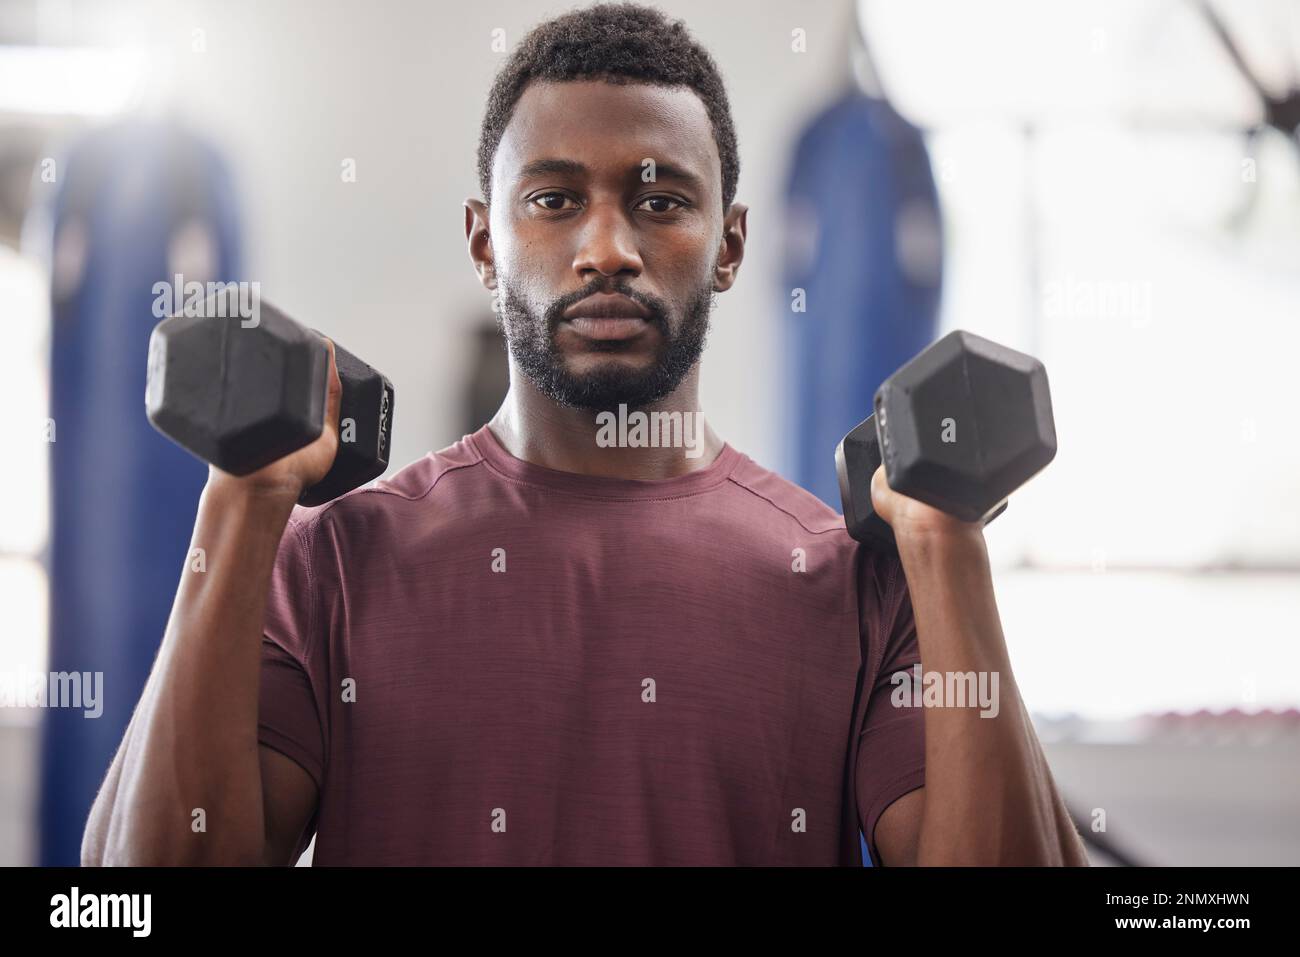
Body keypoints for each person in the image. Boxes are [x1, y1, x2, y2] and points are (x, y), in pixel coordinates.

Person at [82, 2, 1087, 866]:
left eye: (660, 201)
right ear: (487, 242)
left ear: (731, 245)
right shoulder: (333, 559)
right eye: (555, 201)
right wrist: (243, 499)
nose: (607, 248)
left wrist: (945, 544)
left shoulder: (849, 579)